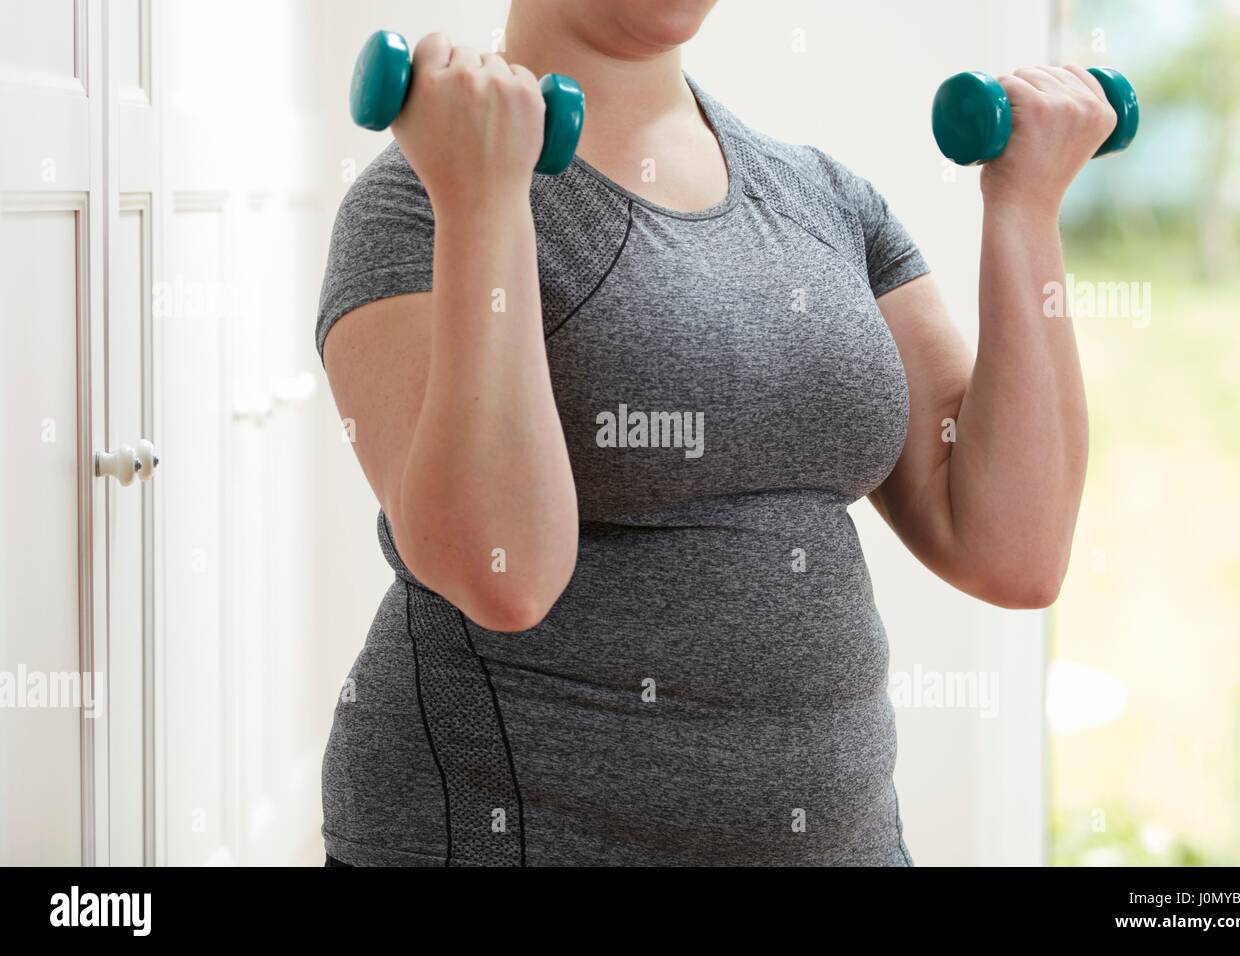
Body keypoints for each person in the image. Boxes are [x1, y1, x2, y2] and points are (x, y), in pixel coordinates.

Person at [315, 0, 1110, 865]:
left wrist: (1026, 206)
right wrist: (483, 200)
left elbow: (1014, 549)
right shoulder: (415, 203)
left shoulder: (824, 199)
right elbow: (498, 574)